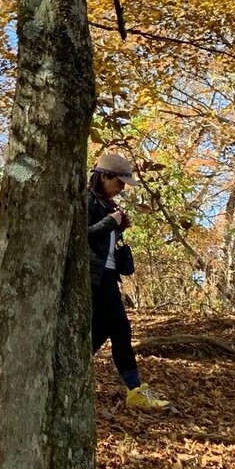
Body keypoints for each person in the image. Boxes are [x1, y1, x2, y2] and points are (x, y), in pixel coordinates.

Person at [88, 153, 171, 411]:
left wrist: (118, 226)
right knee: (120, 328)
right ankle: (134, 391)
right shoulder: (87, 200)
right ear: (104, 176)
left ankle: (69, 369)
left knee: (104, 330)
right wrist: (109, 223)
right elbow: (80, 235)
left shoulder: (107, 203)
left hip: (109, 275)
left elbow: (103, 237)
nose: (122, 188)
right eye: (120, 182)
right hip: (94, 276)